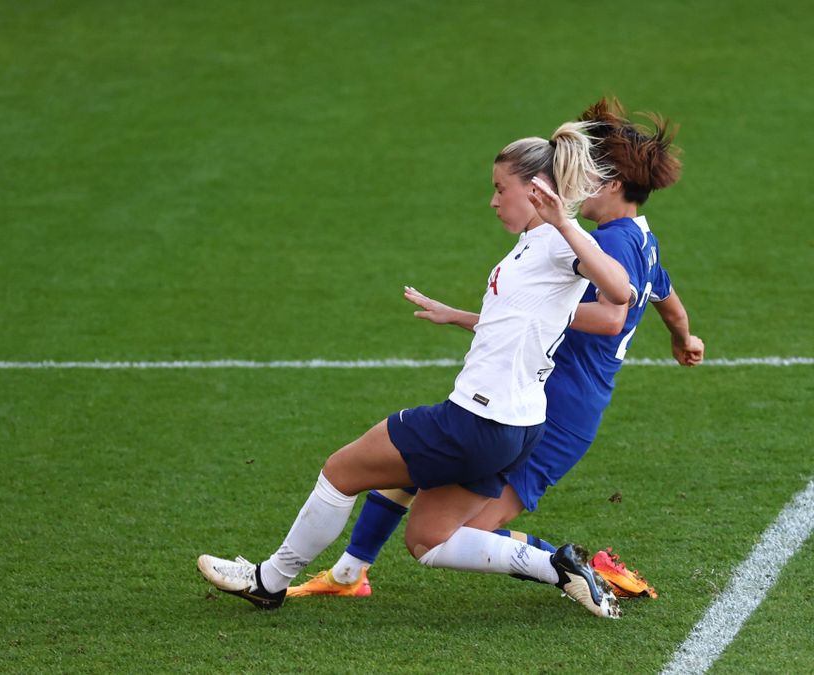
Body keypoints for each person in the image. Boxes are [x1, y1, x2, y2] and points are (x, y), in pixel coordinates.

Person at [198, 119, 632, 619]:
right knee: (428, 538)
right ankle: (557, 568)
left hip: (477, 420)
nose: (493, 201)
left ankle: (268, 580)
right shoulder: (536, 243)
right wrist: (462, 317)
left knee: (342, 472)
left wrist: (566, 222)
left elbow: (618, 292)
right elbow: (526, 323)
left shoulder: (558, 240)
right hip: (515, 427)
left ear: (535, 190)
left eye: (500, 189)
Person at [287, 98, 703, 602]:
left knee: (457, 533)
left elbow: (614, 316)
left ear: (614, 185)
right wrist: (685, 339)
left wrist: (521, 311)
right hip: (542, 390)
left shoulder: (609, 245)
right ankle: (350, 572)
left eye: (593, 175)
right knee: (415, 459)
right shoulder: (639, 239)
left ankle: (585, 566)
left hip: (558, 408)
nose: (581, 183)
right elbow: (669, 303)